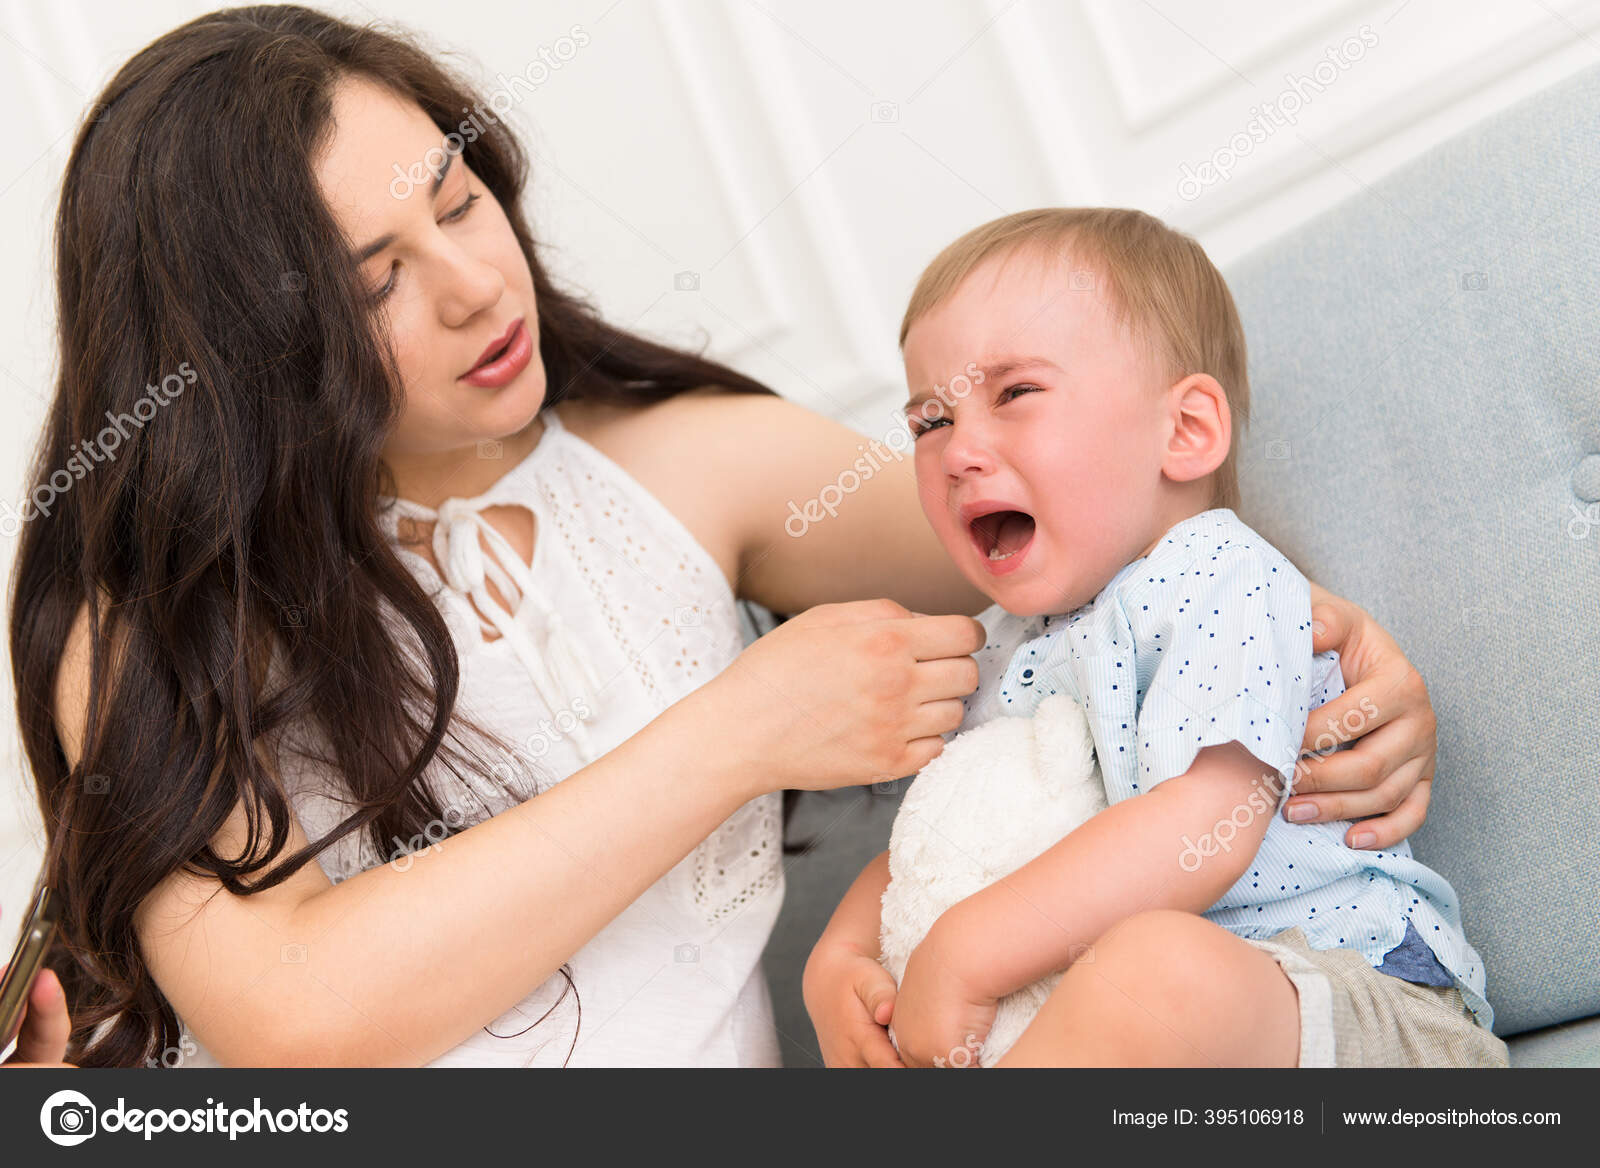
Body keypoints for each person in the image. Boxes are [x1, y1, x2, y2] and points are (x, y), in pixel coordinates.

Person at [9, 8, 1441, 1068]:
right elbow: (294, 1016)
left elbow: (1092, 534)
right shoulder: (148, 620)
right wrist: (736, 734)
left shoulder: (688, 465)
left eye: (459, 201)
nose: (474, 283)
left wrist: (1337, 646)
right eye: (375, 281)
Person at [805, 208, 1507, 1068]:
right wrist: (841, 954)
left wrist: (965, 953)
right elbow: (947, 831)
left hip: (1356, 1000)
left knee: (1152, 973)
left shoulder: (1221, 577)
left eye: (1015, 394)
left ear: (1185, 432)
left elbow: (1209, 820)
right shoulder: (991, 651)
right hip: (1130, 1040)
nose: (958, 452)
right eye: (930, 423)